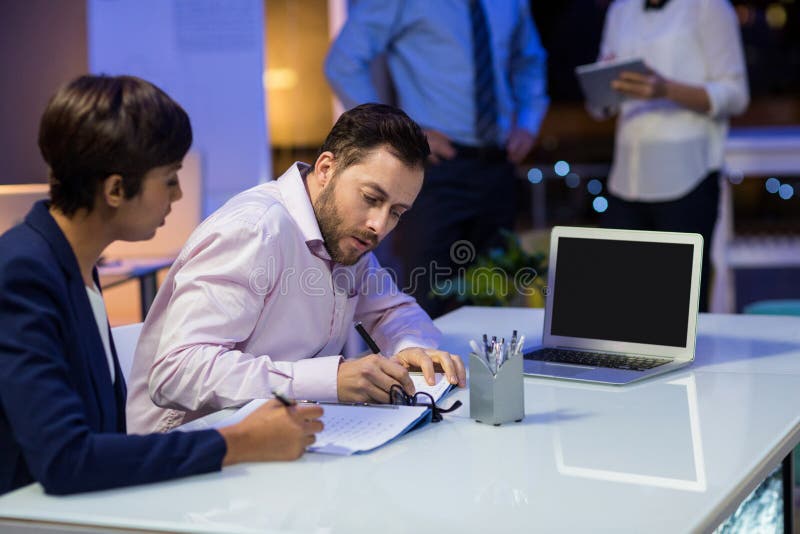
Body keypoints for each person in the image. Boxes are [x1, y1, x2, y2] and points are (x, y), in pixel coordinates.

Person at [0, 75, 324, 496]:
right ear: (116, 189)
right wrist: (240, 441)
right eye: (170, 178)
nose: (178, 194)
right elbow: (66, 459)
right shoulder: (23, 272)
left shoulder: (73, 264)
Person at [126, 103, 467, 434]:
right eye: (371, 198)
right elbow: (177, 373)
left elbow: (393, 310)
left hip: (277, 435)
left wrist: (409, 348)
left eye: (397, 212)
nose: (379, 224)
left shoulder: (347, 236)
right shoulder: (253, 229)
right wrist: (330, 380)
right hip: (186, 451)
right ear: (325, 169)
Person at [324, 0, 549, 317]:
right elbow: (343, 63)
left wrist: (528, 122)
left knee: (497, 301)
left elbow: (529, 61)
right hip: (432, 170)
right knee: (427, 301)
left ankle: (489, 369)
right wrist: (399, 133)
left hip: (498, 166)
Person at [593, 0, 749, 311]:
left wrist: (666, 90)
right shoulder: (620, 11)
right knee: (622, 309)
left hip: (686, 177)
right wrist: (604, 86)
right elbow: (599, 108)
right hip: (626, 179)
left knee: (679, 310)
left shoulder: (709, 7)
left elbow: (736, 95)